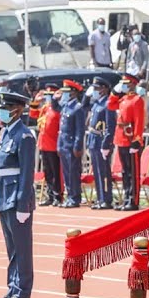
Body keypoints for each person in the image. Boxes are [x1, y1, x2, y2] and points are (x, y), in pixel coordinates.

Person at [0, 89, 36, 298]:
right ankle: (12, 288)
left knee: (22, 248)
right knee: (11, 248)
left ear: (16, 111)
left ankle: (23, 292)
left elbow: (27, 173)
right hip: (2, 195)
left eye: (5, 109)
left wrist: (23, 203)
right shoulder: (6, 133)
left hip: (17, 198)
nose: (1, 113)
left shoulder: (24, 136)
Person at [112, 74, 146, 211]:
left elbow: (139, 121)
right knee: (125, 172)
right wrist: (115, 92)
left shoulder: (137, 100)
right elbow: (110, 104)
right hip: (121, 138)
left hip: (130, 138)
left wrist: (137, 140)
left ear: (132, 84)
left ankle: (133, 200)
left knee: (133, 172)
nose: (123, 85)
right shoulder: (124, 99)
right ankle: (126, 198)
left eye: (126, 83)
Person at [55, 80, 87, 208]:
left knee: (73, 173)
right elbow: (61, 128)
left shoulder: (77, 108)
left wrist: (77, 146)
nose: (64, 94)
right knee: (66, 173)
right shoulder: (66, 106)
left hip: (71, 144)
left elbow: (80, 129)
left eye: (66, 92)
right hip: (64, 144)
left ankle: (75, 198)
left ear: (73, 92)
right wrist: (59, 145)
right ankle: (70, 196)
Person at [85, 78, 116, 210]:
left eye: (97, 89)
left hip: (101, 140)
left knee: (103, 172)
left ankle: (106, 199)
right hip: (93, 140)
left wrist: (106, 144)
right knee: (97, 172)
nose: (95, 91)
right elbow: (84, 107)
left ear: (104, 89)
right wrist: (86, 96)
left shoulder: (108, 104)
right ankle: (100, 198)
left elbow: (110, 126)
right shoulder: (97, 103)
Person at [37, 85, 62, 206]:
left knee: (55, 173)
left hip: (53, 144)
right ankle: (50, 195)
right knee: (47, 173)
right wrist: (35, 101)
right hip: (44, 144)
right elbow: (33, 115)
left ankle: (58, 195)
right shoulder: (45, 108)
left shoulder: (57, 109)